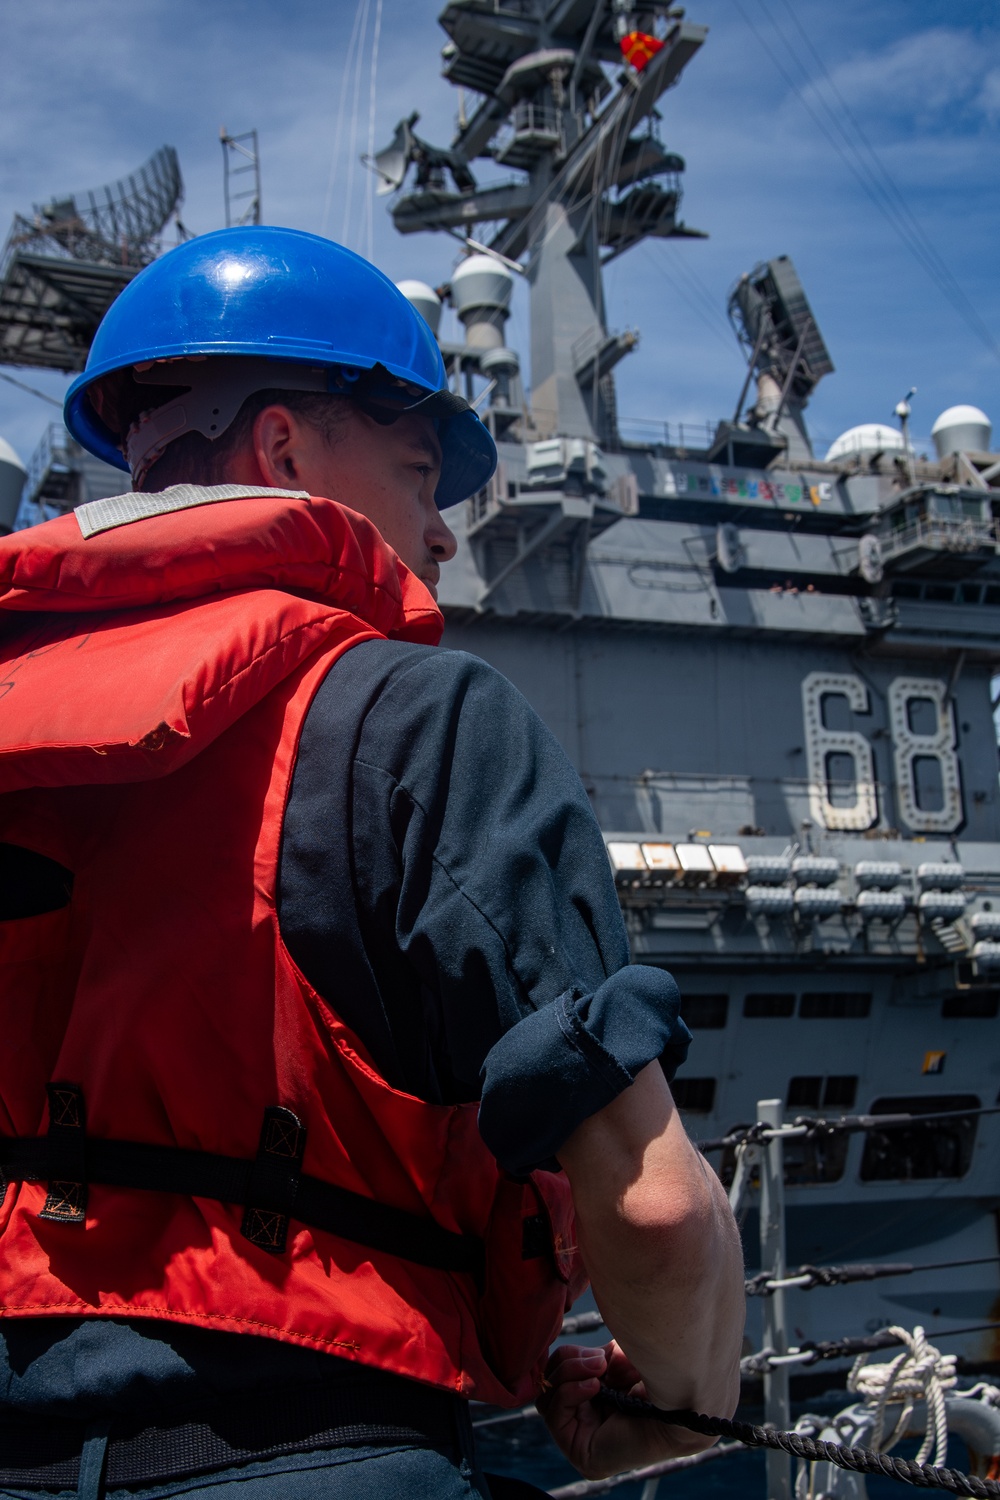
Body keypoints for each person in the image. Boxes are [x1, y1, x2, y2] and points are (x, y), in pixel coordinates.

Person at [0, 227, 744, 1499]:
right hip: (321, 1443)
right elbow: (656, 1207)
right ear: (285, 448)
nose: (444, 534)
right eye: (417, 474)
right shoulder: (420, 718)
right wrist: (683, 1406)